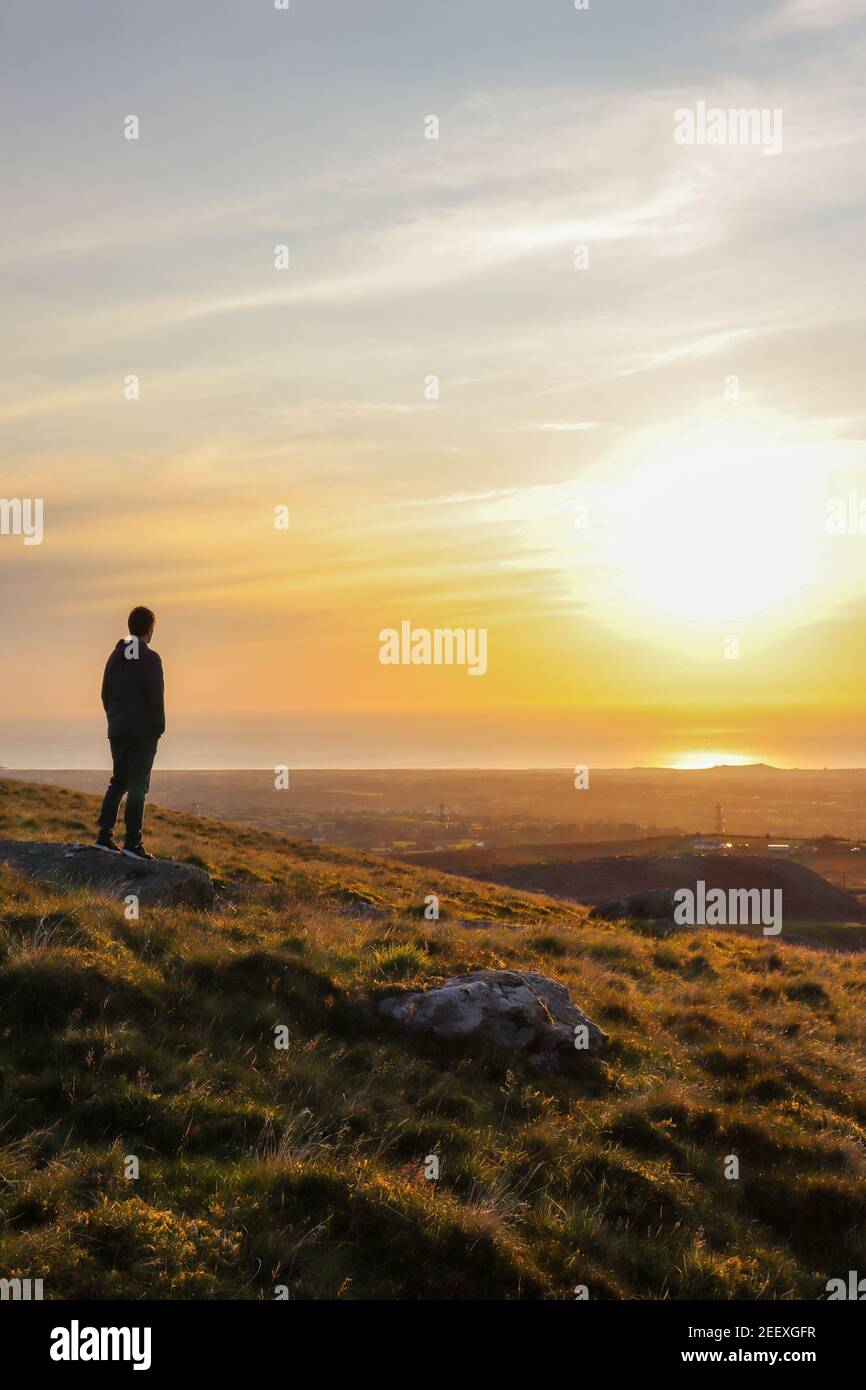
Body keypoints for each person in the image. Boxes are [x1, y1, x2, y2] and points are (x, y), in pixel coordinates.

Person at [95, 606, 165, 859]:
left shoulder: (115, 657)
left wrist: (115, 718)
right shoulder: (150, 659)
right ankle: (132, 843)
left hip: (118, 729)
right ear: (149, 629)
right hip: (142, 732)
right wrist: (158, 728)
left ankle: (104, 837)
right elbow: (155, 699)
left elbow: (105, 694)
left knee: (119, 781)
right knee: (138, 786)